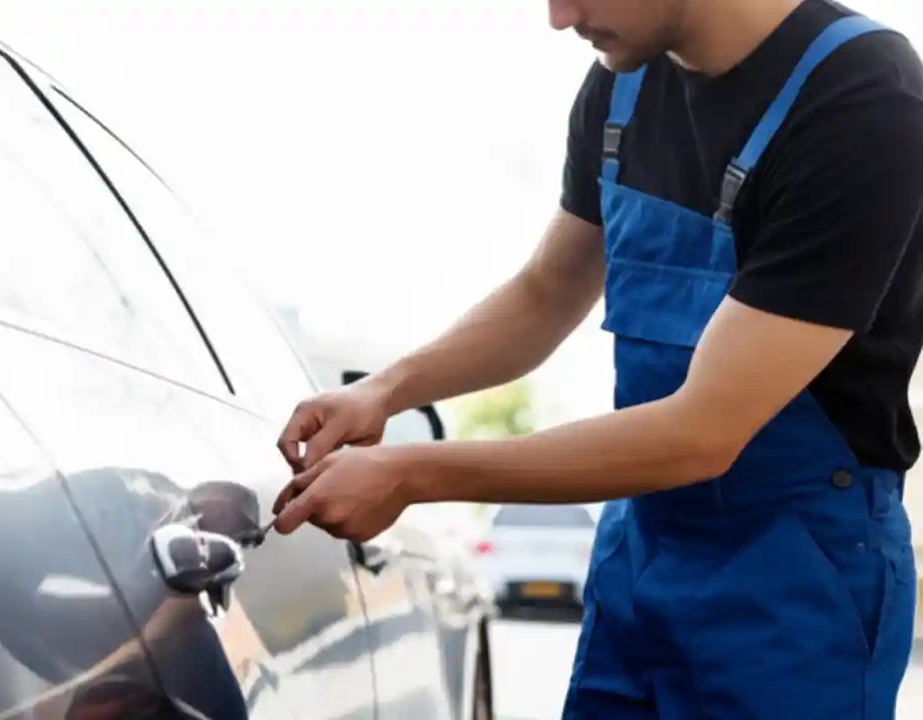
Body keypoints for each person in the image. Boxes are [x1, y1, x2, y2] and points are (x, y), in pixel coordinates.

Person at [270, 0, 923, 717]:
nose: (559, 17)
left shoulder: (864, 101)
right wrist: (386, 392)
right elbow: (547, 292)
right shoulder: (622, 84)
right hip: (642, 554)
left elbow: (704, 433)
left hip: (799, 580)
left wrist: (410, 474)